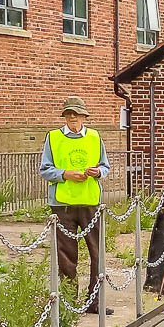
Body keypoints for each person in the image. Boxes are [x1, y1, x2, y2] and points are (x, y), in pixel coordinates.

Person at [38, 97, 113, 315]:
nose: (73, 118)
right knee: (66, 255)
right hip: (63, 204)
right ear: (64, 116)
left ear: (84, 117)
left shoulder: (95, 137)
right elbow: (45, 170)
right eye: (69, 114)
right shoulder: (53, 138)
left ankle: (95, 302)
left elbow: (105, 166)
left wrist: (98, 172)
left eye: (77, 114)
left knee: (97, 253)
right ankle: (69, 301)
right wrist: (64, 174)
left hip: (90, 202)